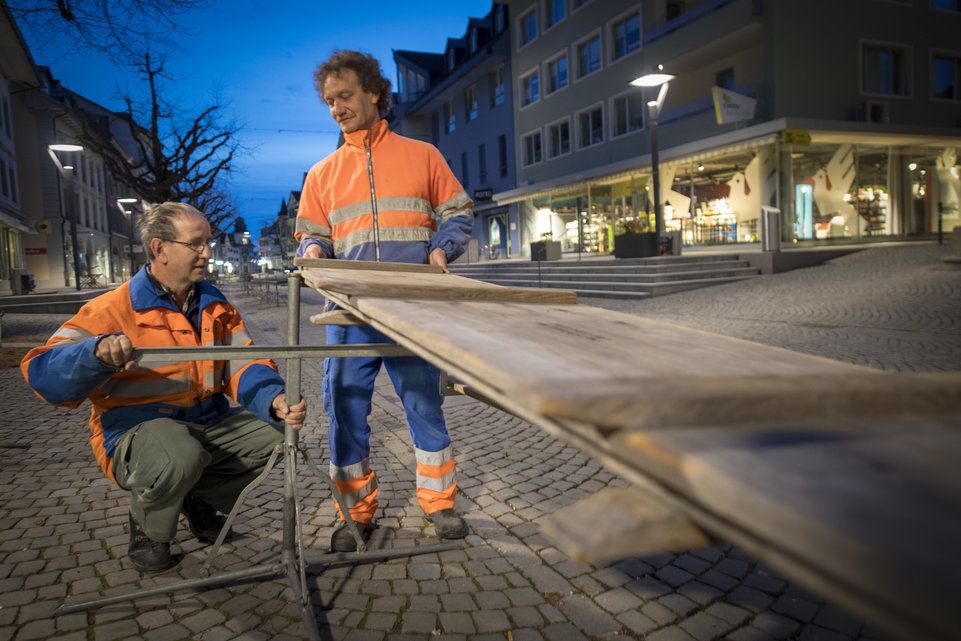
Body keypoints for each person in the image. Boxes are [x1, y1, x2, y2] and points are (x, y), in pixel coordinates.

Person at [22, 202, 307, 573]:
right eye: (196, 244)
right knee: (178, 456)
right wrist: (94, 354)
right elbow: (43, 374)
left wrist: (274, 399)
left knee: (280, 436)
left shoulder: (214, 305)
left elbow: (243, 362)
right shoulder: (111, 309)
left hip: (206, 418)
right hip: (137, 428)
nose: (207, 252)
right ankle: (148, 526)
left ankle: (194, 497)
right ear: (160, 249)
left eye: (209, 243)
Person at [295, 50, 473, 552]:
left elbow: (458, 213)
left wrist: (443, 247)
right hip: (349, 313)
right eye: (330, 100)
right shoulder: (321, 174)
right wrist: (311, 249)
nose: (337, 107)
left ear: (374, 92)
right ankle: (356, 514)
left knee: (423, 405)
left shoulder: (423, 156)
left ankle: (439, 505)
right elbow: (310, 234)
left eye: (345, 96)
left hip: (412, 307)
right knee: (345, 410)